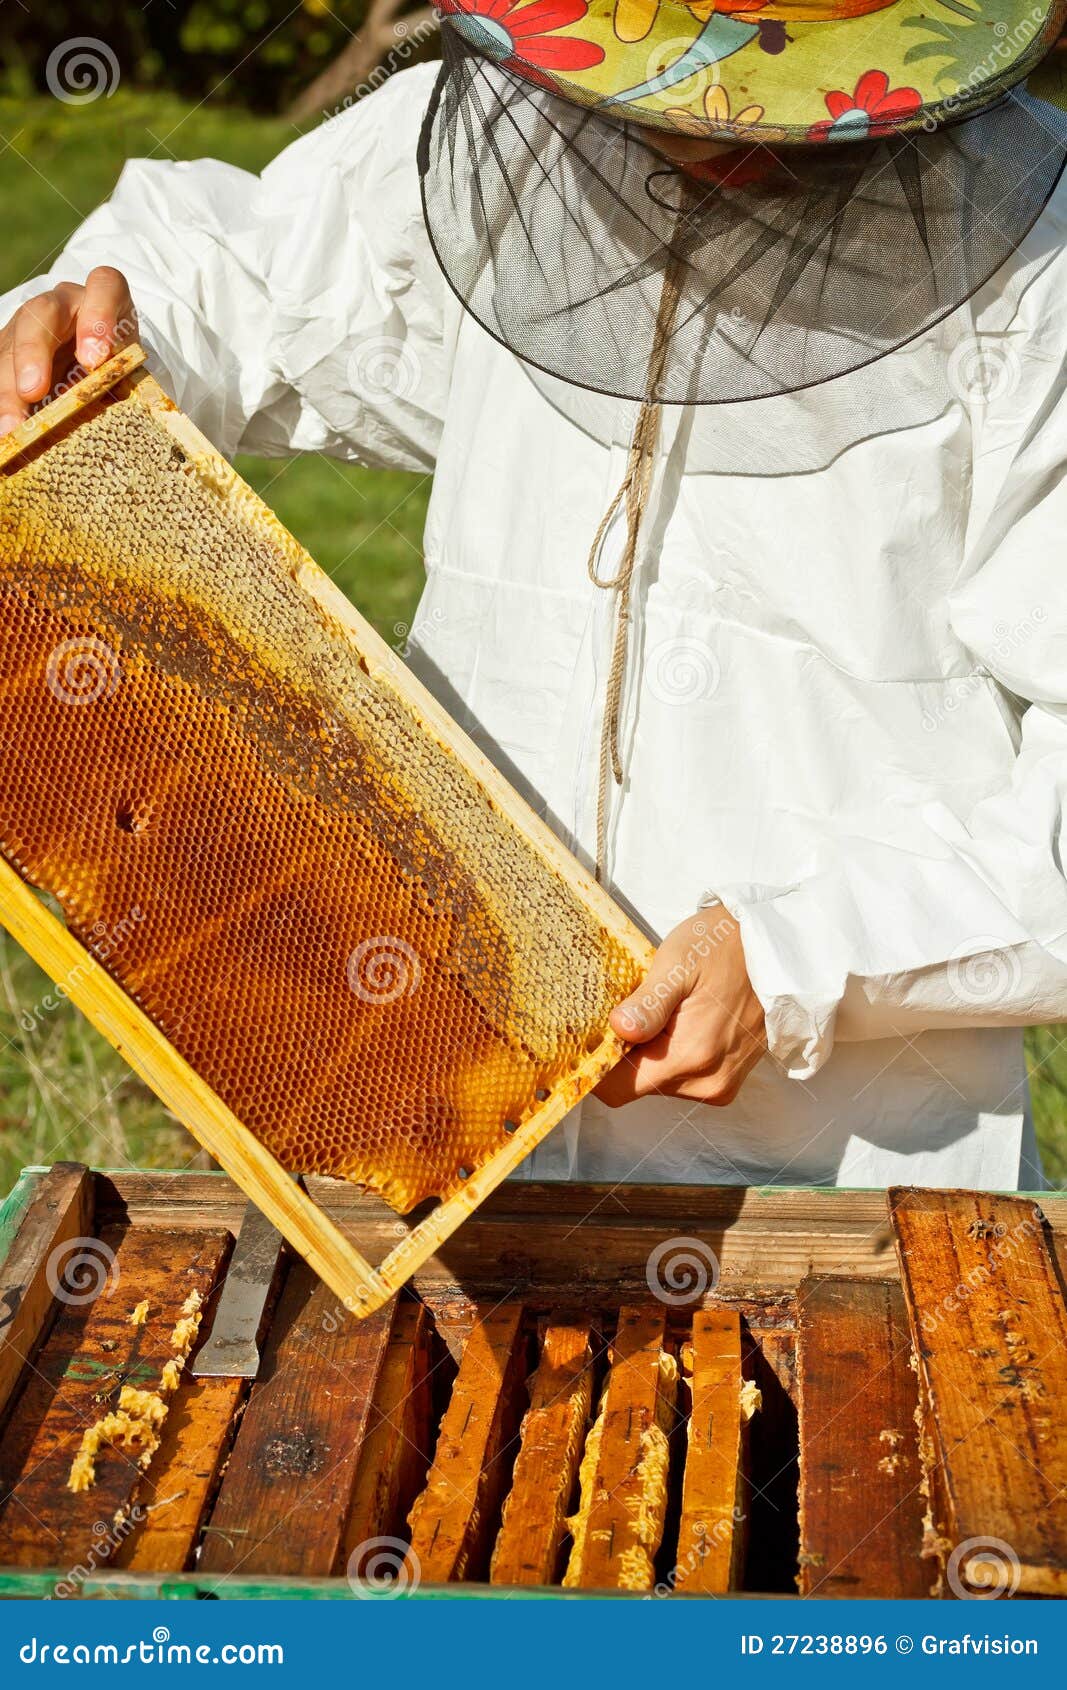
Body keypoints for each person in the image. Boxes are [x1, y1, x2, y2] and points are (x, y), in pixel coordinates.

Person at [3, 0, 1067, 1192]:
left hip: (847, 1157)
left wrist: (797, 959)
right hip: (441, 1097)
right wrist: (79, 334)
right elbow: (232, 271)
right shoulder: (501, 137)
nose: (695, 125)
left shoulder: (1040, 274)